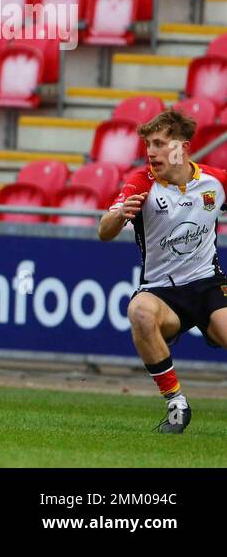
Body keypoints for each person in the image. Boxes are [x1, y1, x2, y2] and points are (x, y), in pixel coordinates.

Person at [98, 109, 227, 434]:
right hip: (162, 291)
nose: (151, 152)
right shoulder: (141, 184)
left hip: (208, 285)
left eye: (159, 143)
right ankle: (176, 404)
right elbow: (104, 230)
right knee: (139, 311)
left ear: (182, 148)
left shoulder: (216, 182)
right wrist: (119, 216)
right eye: (148, 145)